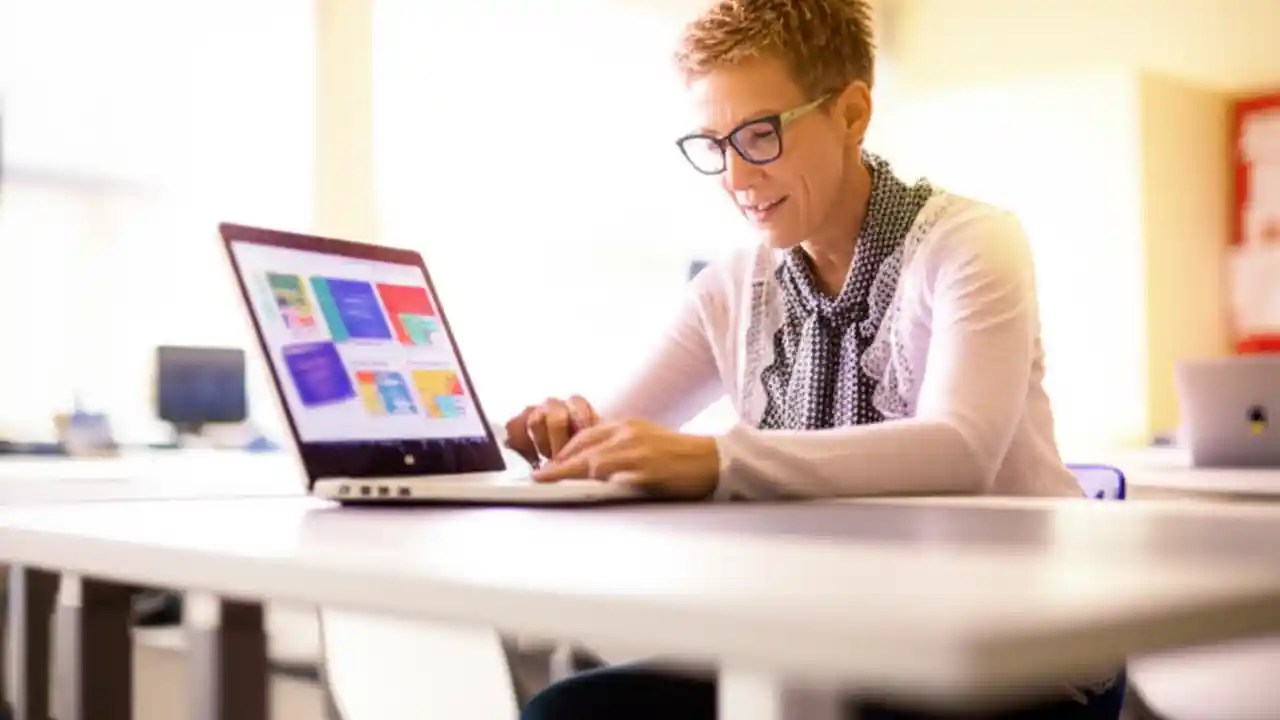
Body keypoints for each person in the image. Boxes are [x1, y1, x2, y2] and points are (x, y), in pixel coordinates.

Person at [507, 0, 1124, 717]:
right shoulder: (731, 291)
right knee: (568, 712)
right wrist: (567, 432)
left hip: (1014, 654)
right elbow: (608, 436)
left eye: (760, 135)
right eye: (714, 144)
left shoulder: (974, 243)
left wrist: (716, 461)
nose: (736, 177)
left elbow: (960, 450)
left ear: (853, 114)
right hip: (826, 645)